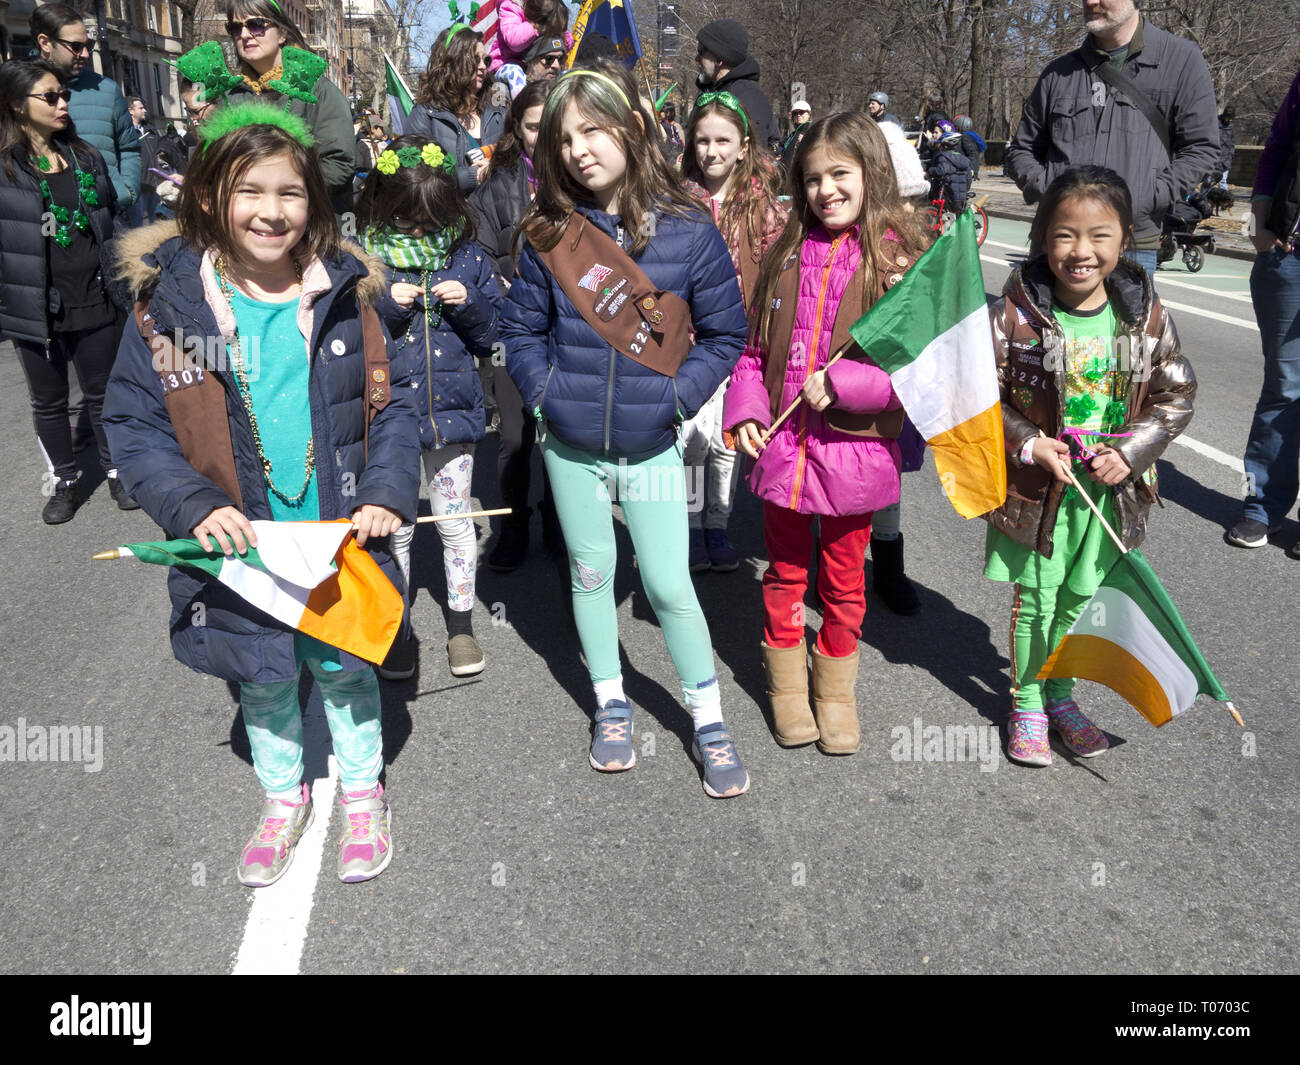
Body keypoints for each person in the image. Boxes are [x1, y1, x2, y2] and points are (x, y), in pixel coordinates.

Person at [104, 102, 420, 886]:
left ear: (314, 200)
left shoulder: (349, 297)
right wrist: (191, 504)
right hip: (240, 545)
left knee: (346, 666)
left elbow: (398, 402)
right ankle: (282, 799)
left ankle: (363, 789)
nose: (271, 211)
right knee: (263, 675)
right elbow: (133, 424)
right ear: (210, 195)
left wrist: (383, 488)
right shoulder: (164, 311)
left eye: (290, 192)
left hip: (335, 535)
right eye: (250, 190)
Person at [500, 64, 752, 797]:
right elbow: (521, 331)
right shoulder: (549, 233)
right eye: (565, 137)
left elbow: (725, 335)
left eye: (594, 129)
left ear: (632, 129)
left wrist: (677, 399)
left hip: (651, 443)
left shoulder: (690, 229)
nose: (579, 149)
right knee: (590, 572)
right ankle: (611, 702)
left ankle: (706, 716)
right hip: (571, 446)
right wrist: (546, 399)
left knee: (672, 583)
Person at [723, 112, 927, 755]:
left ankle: (835, 688)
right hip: (787, 450)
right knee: (784, 571)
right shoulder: (784, 253)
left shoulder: (896, 258)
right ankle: (785, 685)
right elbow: (753, 354)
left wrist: (847, 385)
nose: (826, 190)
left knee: (844, 576)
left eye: (841, 174)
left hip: (855, 455)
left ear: (872, 174)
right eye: (812, 179)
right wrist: (748, 412)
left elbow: (916, 371)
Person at [984, 165, 1195, 765]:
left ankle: (1062, 695)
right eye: (1065, 234)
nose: (1081, 251)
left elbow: (1176, 395)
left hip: (1109, 492)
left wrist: (1130, 452)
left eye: (1099, 235)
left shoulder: (1145, 317)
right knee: (1037, 599)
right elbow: (978, 397)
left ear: (1124, 239)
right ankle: (1026, 700)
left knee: (1081, 600)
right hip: (1038, 489)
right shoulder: (1014, 316)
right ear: (1042, 237)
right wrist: (1028, 443)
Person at [357, 135, 502, 680]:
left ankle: (461, 626)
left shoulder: (466, 257)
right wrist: (385, 313)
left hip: (453, 414)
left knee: (454, 519)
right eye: (406, 221)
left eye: (429, 220)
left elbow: (496, 336)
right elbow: (347, 345)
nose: (418, 232)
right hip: (387, 416)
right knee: (394, 527)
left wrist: (473, 305)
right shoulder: (367, 264)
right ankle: (397, 629)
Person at [0, 56, 131, 523]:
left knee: (103, 392)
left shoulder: (85, 156)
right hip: (35, 305)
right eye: (49, 96)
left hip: (94, 295)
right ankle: (65, 482)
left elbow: (111, 220)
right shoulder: (5, 169)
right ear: (17, 105)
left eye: (64, 95)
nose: (62, 103)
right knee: (50, 401)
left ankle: (117, 471)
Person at [1003, 0, 1219, 280]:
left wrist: (1147, 197)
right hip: (1057, 240)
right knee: (1040, 324)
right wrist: (1046, 189)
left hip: (1132, 243)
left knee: (1124, 325)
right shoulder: (1058, 72)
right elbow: (1023, 149)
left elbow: (1201, 148)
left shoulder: (1181, 60)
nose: (1091, 1)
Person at [680, 89, 786, 573]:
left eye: (723, 140)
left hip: (742, 343)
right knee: (688, 442)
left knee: (726, 440)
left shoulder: (763, 206)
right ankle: (687, 525)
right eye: (703, 140)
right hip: (687, 341)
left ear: (744, 145)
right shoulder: (676, 197)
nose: (712, 151)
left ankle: (717, 525)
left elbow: (780, 264)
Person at [469, 79, 563, 570]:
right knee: (513, 435)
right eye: (532, 126)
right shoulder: (497, 182)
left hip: (569, 327)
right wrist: (506, 292)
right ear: (517, 128)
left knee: (562, 430)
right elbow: (479, 251)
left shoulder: (581, 179)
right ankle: (514, 524)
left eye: (551, 124)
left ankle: (558, 519)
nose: (541, 136)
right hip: (513, 326)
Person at [172, 3, 356, 215]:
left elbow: (339, 165)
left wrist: (281, 192)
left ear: (282, 34)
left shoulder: (319, 91)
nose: (245, 34)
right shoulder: (229, 96)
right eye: (235, 28)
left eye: (256, 25)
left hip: (310, 227)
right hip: (244, 229)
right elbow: (216, 161)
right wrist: (195, 185)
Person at [1228, 71, 1300, 556]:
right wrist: (1257, 219)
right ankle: (1263, 507)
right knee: (1284, 386)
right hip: (1289, 257)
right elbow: (1275, 150)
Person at [31, 4, 139, 215]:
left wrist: (126, 192)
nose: (86, 54)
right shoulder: (18, 92)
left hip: (107, 216)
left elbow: (129, 148)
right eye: (76, 46)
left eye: (87, 45)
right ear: (45, 43)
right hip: (45, 219)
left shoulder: (107, 90)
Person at [410, 25, 506, 195]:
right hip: (450, 214)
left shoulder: (498, 108)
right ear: (453, 61)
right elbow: (416, 175)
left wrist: (497, 168)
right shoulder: (426, 113)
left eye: (486, 60)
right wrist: (473, 176)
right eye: (475, 60)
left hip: (497, 214)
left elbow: (518, 160)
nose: (483, 66)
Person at [693, 19, 779, 150]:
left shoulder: (748, 97)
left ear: (719, 59)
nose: (696, 58)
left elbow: (755, 157)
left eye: (701, 51)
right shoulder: (708, 94)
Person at [487, 0, 570, 99]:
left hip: (525, 63)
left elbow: (566, 42)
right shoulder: (512, 6)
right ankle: (522, 106)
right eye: (548, 58)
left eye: (559, 59)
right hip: (504, 62)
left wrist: (561, 33)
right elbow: (514, 41)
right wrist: (536, 26)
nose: (556, 65)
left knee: (567, 76)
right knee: (515, 73)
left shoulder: (547, 10)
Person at [126, 98, 160, 225]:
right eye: (140, 108)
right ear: (131, 111)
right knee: (138, 224)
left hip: (155, 184)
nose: (144, 110)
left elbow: (158, 151)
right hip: (138, 186)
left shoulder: (151, 130)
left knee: (156, 222)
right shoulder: (126, 132)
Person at [927, 129, 973, 210]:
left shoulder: (943, 156)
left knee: (941, 212)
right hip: (961, 196)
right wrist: (965, 190)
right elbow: (968, 177)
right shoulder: (963, 159)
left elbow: (941, 170)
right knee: (957, 214)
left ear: (944, 146)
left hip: (948, 193)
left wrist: (930, 171)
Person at [778, 99, 810, 174]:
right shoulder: (792, 135)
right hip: (785, 177)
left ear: (808, 114)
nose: (798, 115)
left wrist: (807, 141)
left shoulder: (812, 132)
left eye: (801, 112)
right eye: (795, 113)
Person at [1216, 106, 1235, 190]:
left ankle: (1225, 200)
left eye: (1231, 119)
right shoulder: (1215, 123)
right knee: (1208, 181)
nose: (1230, 120)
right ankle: (1202, 200)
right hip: (1215, 157)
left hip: (1226, 158)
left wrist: (1231, 155)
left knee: (1223, 181)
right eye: (1228, 118)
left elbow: (1232, 143)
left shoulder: (1231, 127)